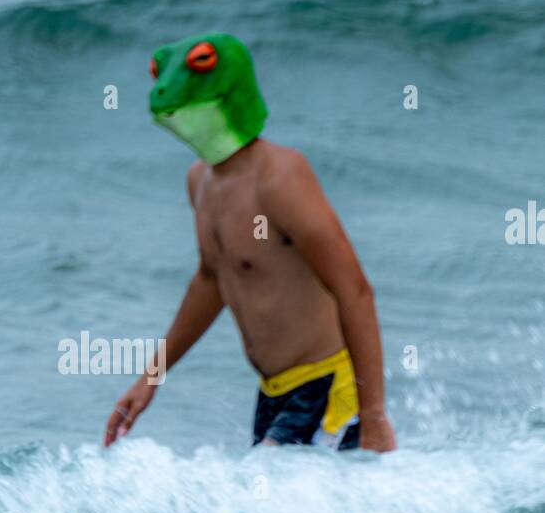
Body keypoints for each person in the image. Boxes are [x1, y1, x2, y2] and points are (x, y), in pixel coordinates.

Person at [104, 33, 396, 452]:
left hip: (329, 386)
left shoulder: (280, 176)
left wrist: (374, 416)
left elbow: (354, 289)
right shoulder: (200, 181)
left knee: (265, 500)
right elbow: (212, 280)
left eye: (201, 63)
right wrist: (150, 378)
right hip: (273, 392)